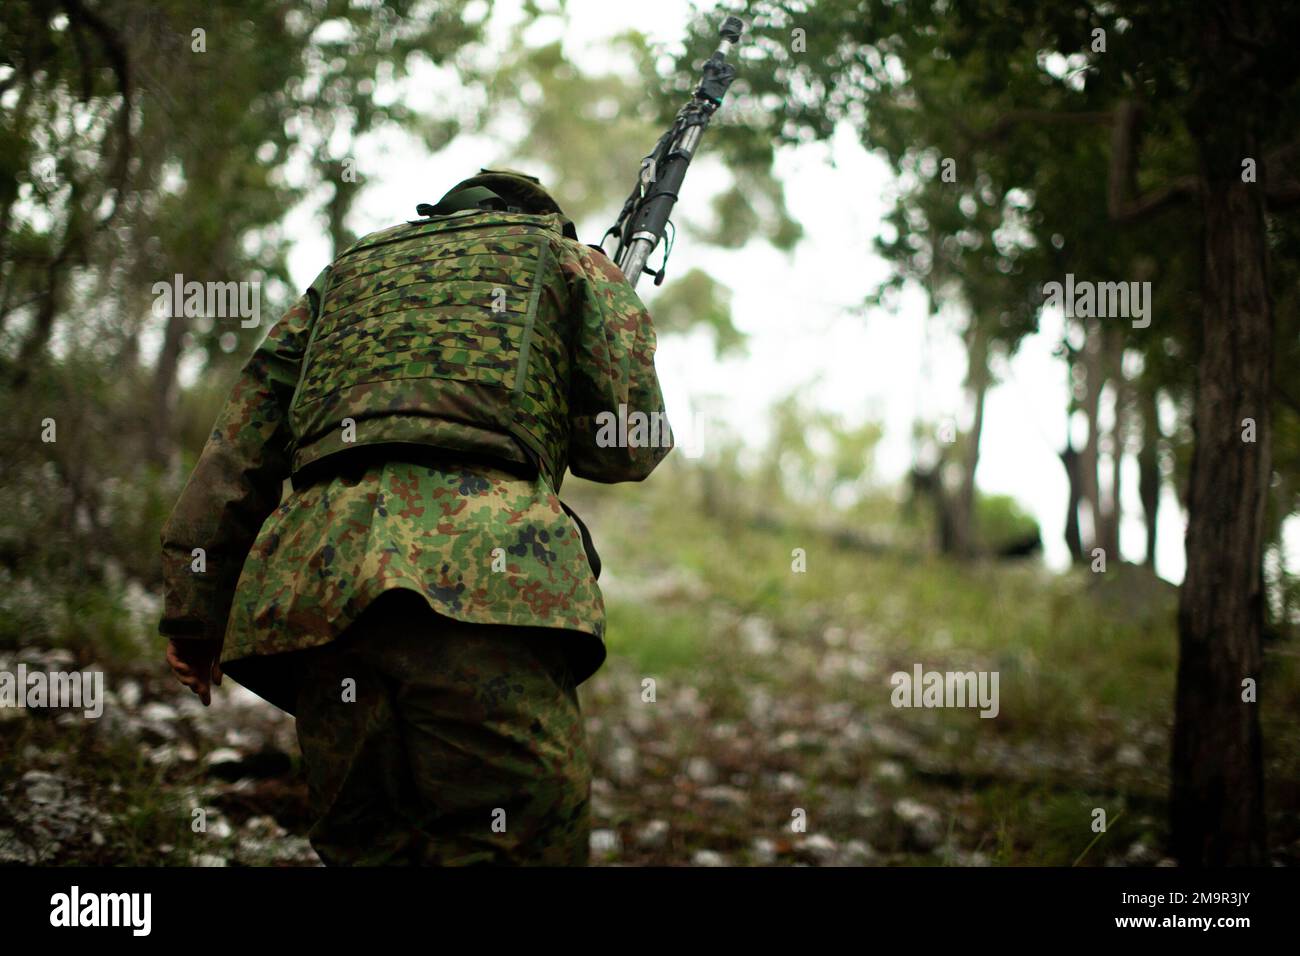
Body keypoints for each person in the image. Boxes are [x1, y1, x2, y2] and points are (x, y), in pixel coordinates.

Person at [159, 168, 672, 865]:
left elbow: (238, 449)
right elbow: (627, 447)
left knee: (367, 848)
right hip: (486, 589)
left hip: (318, 591)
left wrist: (194, 615)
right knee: (513, 843)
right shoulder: (568, 262)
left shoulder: (347, 275)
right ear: (543, 218)